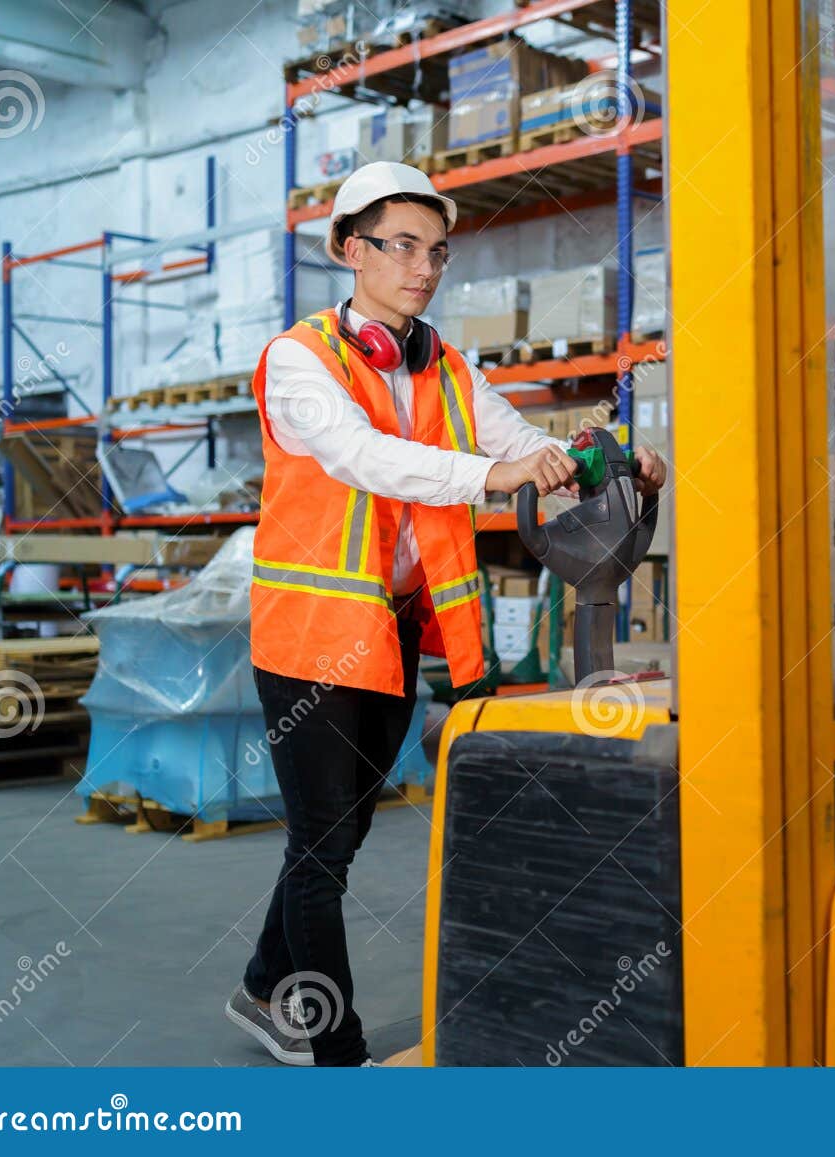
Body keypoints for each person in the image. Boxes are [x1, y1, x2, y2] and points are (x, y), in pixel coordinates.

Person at [224, 162, 667, 1067]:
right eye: (402, 247)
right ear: (352, 250)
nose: (424, 268)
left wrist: (607, 462)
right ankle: (332, 1045)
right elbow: (364, 457)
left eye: (436, 251)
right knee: (322, 845)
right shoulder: (297, 359)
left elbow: (520, 441)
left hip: (389, 632)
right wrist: (490, 477)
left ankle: (265, 984)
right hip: (309, 639)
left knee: (340, 831)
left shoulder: (446, 366)